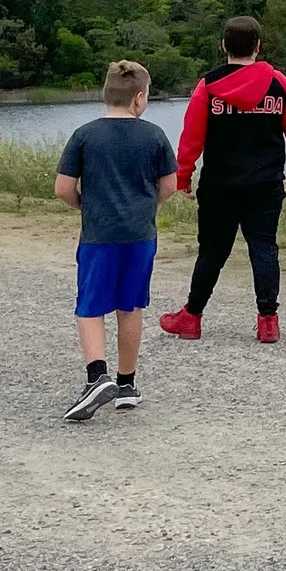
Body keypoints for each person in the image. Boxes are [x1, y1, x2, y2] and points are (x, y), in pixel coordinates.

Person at [158, 15, 286, 343]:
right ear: (258, 46)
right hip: (265, 185)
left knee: (212, 251)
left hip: (219, 186)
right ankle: (268, 321)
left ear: (223, 46)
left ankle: (192, 318)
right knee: (264, 248)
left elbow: (191, 137)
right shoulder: (280, 84)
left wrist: (183, 176)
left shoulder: (208, 86)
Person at [55, 59, 178, 421]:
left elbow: (63, 188)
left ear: (106, 95)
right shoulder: (154, 135)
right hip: (140, 237)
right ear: (139, 98)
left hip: (98, 236)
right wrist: (143, 205)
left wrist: (86, 204)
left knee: (91, 306)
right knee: (131, 306)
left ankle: (97, 377)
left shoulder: (85, 134)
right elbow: (169, 185)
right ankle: (126, 385)